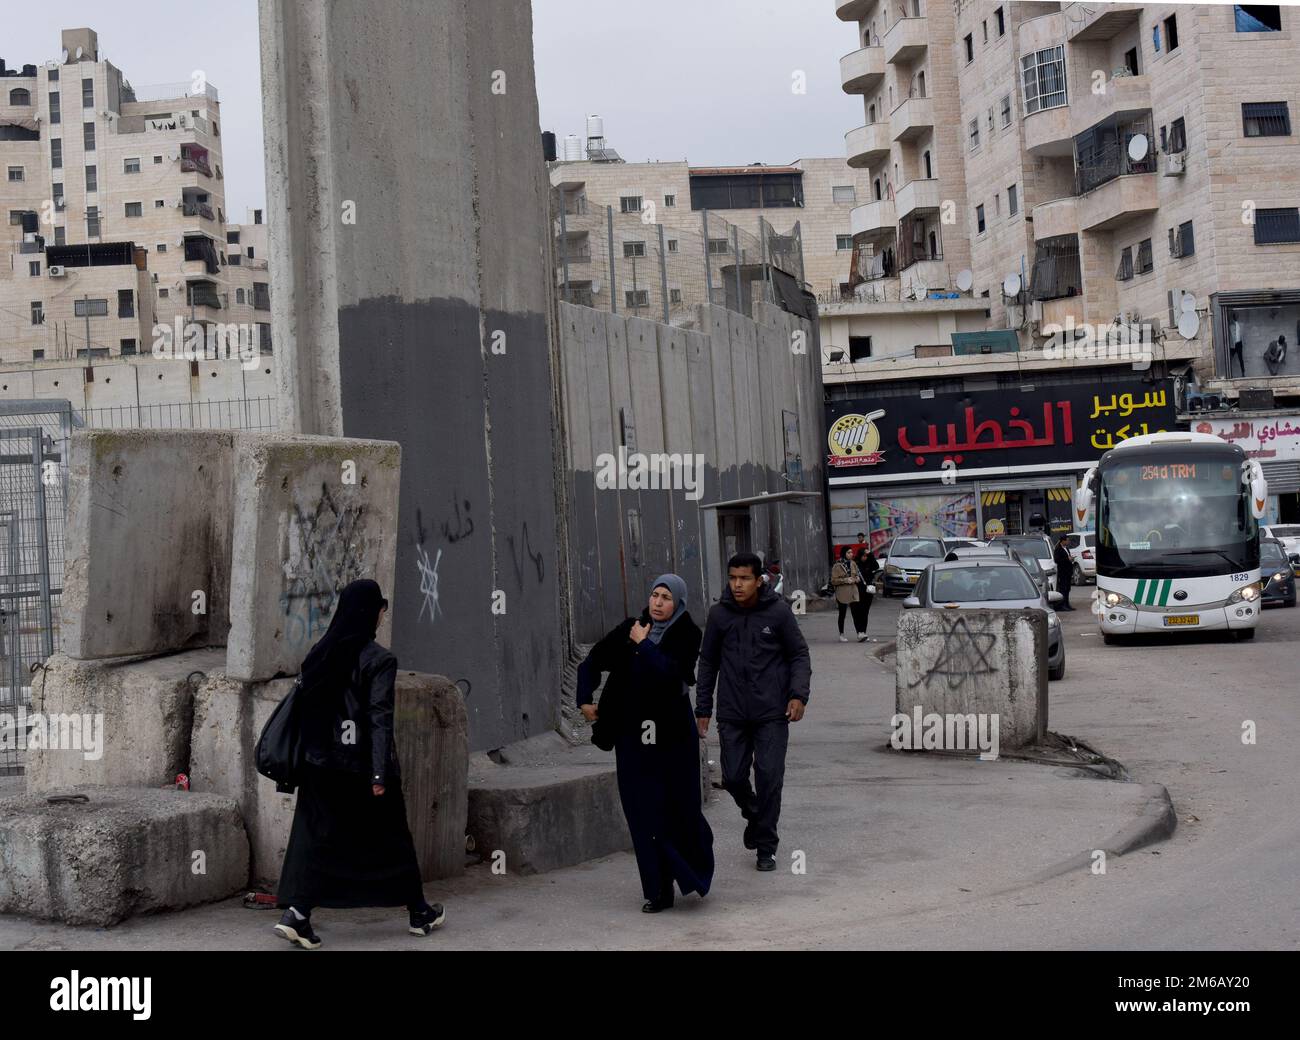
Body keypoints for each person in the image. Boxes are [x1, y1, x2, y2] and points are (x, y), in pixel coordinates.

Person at [274, 579, 444, 950]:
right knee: (393, 839)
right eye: (381, 607)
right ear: (370, 611)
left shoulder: (320, 653)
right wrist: (380, 773)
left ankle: (299, 914)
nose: (383, 613)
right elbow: (379, 716)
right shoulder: (379, 660)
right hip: (361, 768)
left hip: (320, 765)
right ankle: (418, 913)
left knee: (322, 838)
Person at [576, 574, 714, 913]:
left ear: (678, 603)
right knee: (640, 812)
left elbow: (671, 675)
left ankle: (691, 871)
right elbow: (593, 660)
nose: (658, 602)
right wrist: (584, 698)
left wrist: (644, 645)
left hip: (672, 738)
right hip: (632, 736)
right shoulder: (631, 627)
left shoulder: (687, 634)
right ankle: (656, 891)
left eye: (666, 597)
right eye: (655, 595)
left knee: (676, 809)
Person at [695, 553, 812, 872]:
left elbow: (799, 654)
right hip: (732, 711)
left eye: (744, 578)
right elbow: (707, 662)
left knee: (769, 776)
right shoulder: (719, 615)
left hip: (772, 712)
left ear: (758, 580)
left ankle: (766, 846)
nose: (737, 584)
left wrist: (798, 695)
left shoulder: (778, 613)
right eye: (732, 577)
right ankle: (755, 816)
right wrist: (703, 706)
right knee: (732, 776)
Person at [830, 546, 865, 642]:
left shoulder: (853, 563)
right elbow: (833, 581)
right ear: (844, 553)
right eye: (848, 552)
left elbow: (856, 574)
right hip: (842, 592)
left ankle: (859, 633)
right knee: (842, 613)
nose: (851, 554)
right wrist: (845, 580)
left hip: (853, 590)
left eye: (851, 552)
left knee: (856, 613)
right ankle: (841, 634)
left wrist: (857, 578)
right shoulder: (837, 565)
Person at [854, 544, 880, 639]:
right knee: (859, 611)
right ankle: (859, 632)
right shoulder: (856, 563)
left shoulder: (870, 562)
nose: (865, 558)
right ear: (860, 555)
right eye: (863, 556)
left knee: (866, 611)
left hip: (868, 591)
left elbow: (876, 566)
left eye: (866, 556)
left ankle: (863, 632)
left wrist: (871, 555)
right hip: (859, 590)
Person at [1053, 534, 1074, 611]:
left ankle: (1067, 604)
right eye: (1067, 540)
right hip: (1063, 572)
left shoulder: (1066, 548)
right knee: (1063, 589)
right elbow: (1057, 560)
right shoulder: (1058, 549)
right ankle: (1062, 605)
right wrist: (1067, 559)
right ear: (1063, 541)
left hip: (1068, 572)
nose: (1068, 541)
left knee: (1068, 589)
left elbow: (1068, 558)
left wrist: (1071, 559)